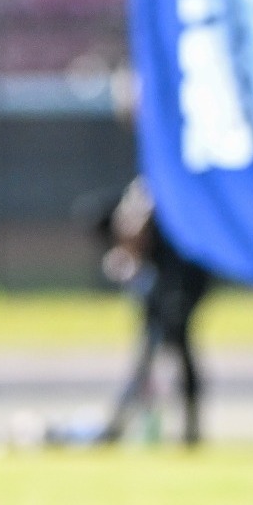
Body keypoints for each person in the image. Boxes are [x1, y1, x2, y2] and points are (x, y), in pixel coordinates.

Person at [94, 177, 213, 446]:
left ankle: (181, 427)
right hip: (165, 282)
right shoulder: (146, 191)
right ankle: (125, 422)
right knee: (153, 350)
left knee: (171, 346)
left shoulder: (166, 195)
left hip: (182, 281)